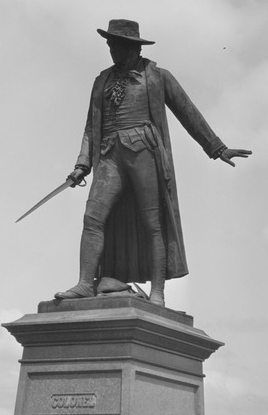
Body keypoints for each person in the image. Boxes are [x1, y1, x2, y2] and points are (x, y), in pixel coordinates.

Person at [55, 19, 252, 307]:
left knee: (153, 222)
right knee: (92, 218)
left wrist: (216, 147)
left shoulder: (157, 76)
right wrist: (82, 164)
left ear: (132, 47)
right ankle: (86, 283)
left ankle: (158, 292)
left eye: (117, 45)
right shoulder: (101, 81)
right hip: (109, 154)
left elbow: (188, 112)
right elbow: (90, 127)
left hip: (143, 149)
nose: (112, 50)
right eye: (110, 45)